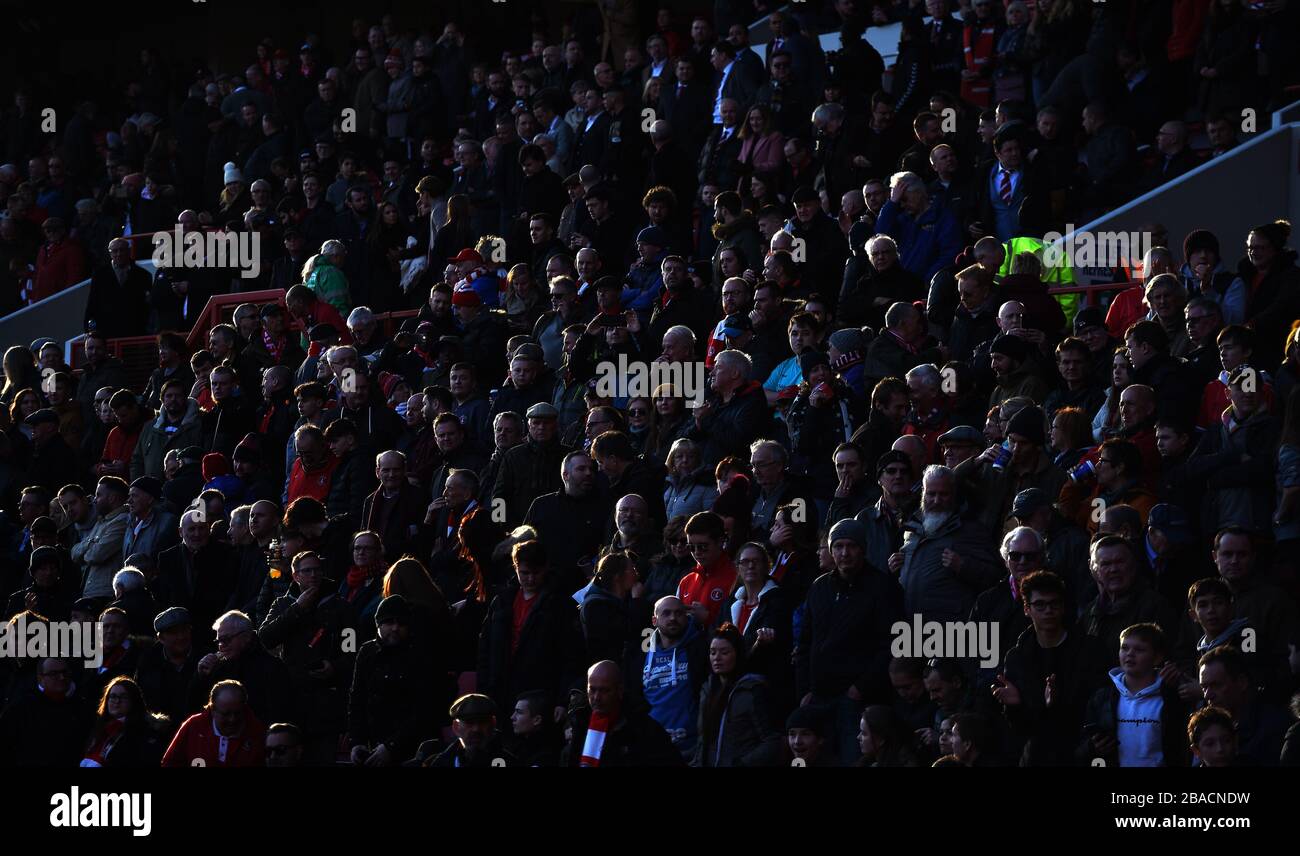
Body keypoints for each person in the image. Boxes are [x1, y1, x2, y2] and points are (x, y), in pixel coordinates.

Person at [798, 518, 905, 764]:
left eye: (851, 546)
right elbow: (804, 642)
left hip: (856, 701)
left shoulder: (883, 588)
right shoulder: (819, 588)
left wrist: (861, 688)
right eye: (838, 546)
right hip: (819, 697)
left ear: (863, 548)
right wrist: (804, 689)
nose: (844, 553)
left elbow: (891, 644)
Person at [477, 539, 582, 719]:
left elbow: (571, 655)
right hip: (502, 689)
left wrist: (562, 699)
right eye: (525, 573)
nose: (531, 579)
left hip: (539, 693)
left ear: (545, 568)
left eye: (536, 573)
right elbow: (485, 647)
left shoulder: (559, 605)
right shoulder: (503, 601)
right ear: (516, 568)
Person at [1080, 623, 1189, 767]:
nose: (1130, 653)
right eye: (1124, 648)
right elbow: (1081, 747)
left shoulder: (1172, 697)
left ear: (1157, 658)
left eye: (1139, 649)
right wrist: (1092, 748)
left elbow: (1182, 748)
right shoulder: (1102, 698)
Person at [691, 622, 781, 767]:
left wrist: (741, 764)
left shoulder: (752, 690)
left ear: (737, 654)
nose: (717, 658)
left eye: (724, 652)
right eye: (712, 652)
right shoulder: (707, 690)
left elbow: (772, 741)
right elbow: (703, 742)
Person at [563, 660, 684, 766]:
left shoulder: (644, 730)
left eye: (604, 691)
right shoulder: (580, 725)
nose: (596, 697)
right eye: (592, 690)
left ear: (619, 690)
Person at [162, 680, 266, 767]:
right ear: (212, 709)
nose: (232, 719)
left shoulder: (257, 732)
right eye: (226, 714)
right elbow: (170, 763)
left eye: (237, 713)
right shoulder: (193, 725)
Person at [81, 676, 169, 767]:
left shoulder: (142, 731)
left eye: (124, 697)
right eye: (113, 696)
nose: (117, 701)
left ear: (134, 701)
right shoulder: (99, 727)